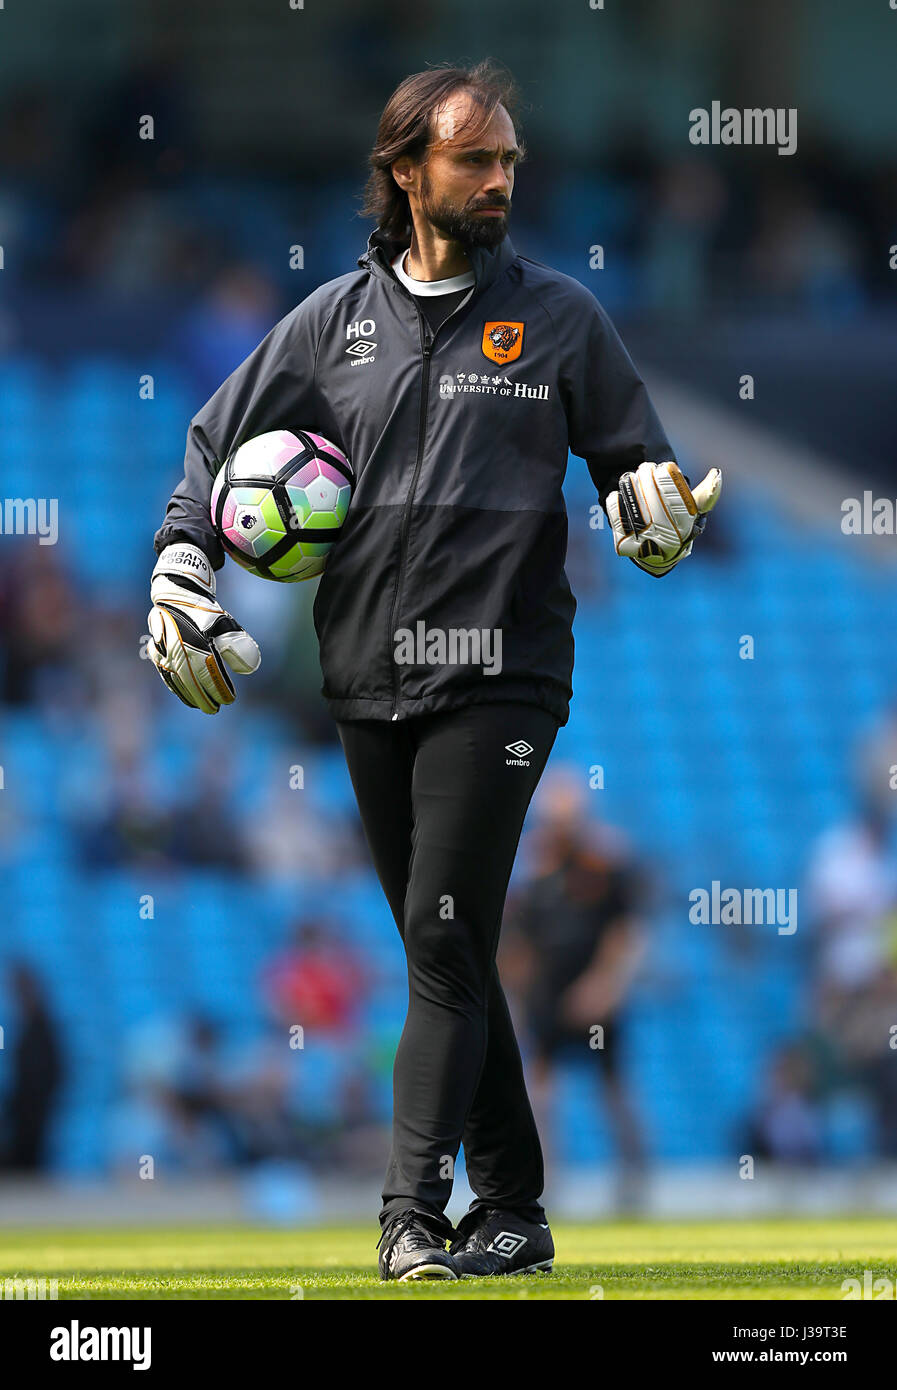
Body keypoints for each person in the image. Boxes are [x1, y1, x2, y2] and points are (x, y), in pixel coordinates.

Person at [148, 60, 719, 1281]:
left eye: (510, 159)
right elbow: (210, 442)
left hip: (506, 673)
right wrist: (179, 567)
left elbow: (642, 473)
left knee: (446, 930)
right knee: (441, 947)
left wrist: (656, 517)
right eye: (476, 159)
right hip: (365, 677)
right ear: (407, 171)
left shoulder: (563, 316)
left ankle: (409, 1210)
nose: (503, 177)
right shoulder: (329, 322)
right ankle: (513, 1205)